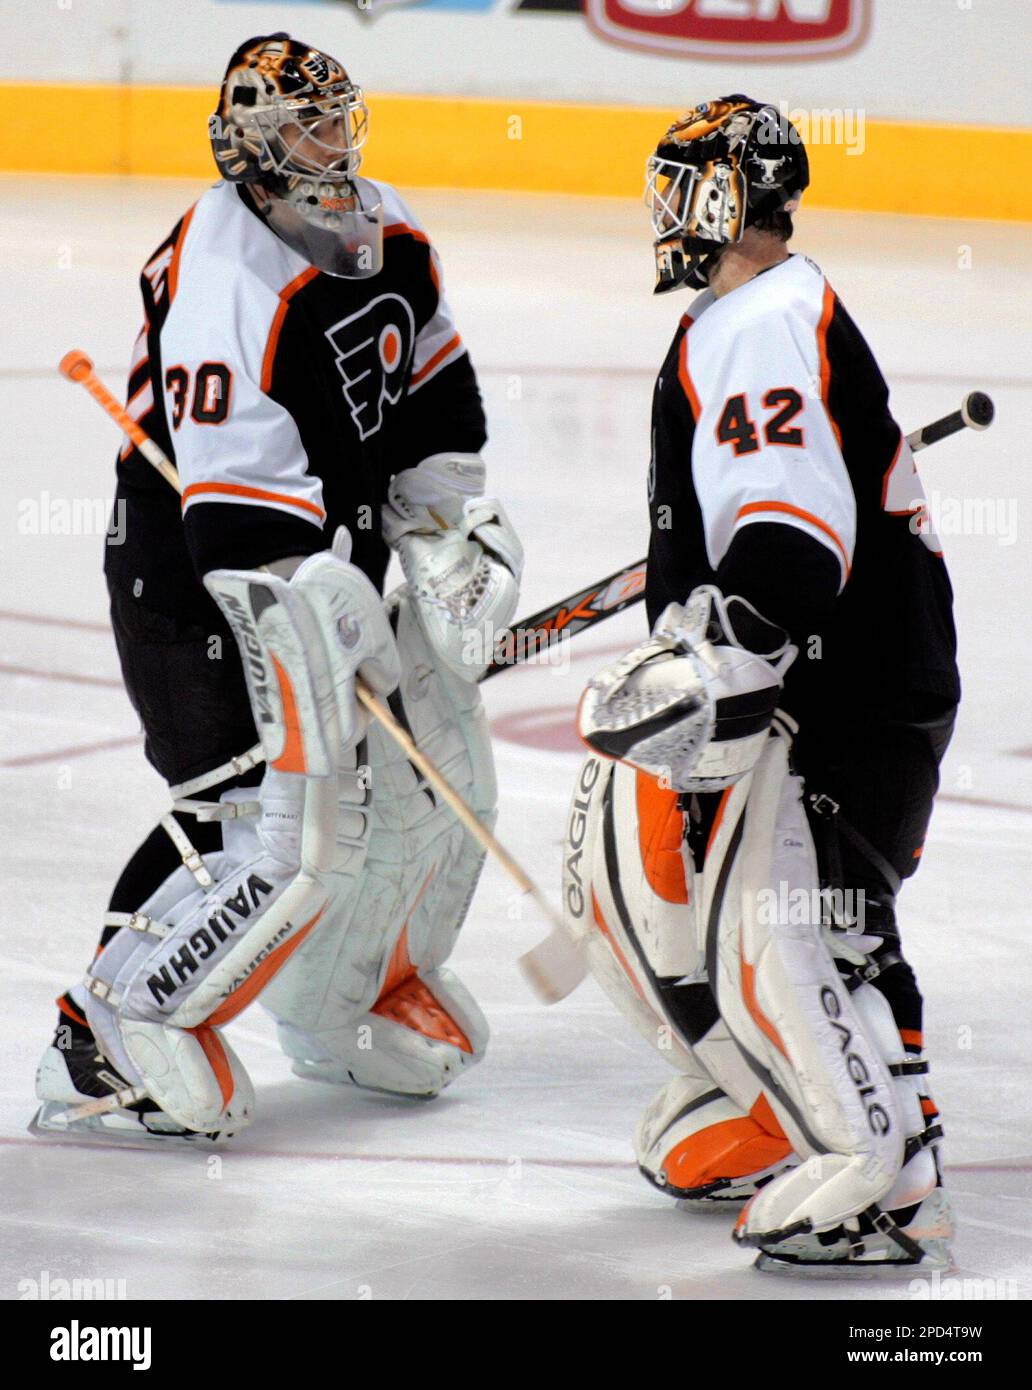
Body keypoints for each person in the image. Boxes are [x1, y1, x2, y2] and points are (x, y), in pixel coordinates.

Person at [32, 32, 521, 1143]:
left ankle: (337, 1001)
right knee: (248, 806)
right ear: (254, 141)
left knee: (410, 789)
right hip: (195, 576)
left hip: (324, 555)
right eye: (310, 124)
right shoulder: (223, 271)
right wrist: (321, 605)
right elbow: (241, 508)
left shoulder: (383, 228)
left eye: (344, 117)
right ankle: (101, 1027)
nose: (337, 141)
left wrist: (443, 527)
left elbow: (433, 388)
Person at [566, 96, 959, 1273]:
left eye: (683, 186)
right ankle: (785, 1112)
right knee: (802, 913)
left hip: (837, 685)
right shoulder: (768, 312)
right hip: (863, 671)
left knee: (800, 919)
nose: (664, 212)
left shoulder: (758, 320)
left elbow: (792, 535)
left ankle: (883, 1178)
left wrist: (728, 647)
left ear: (727, 196)